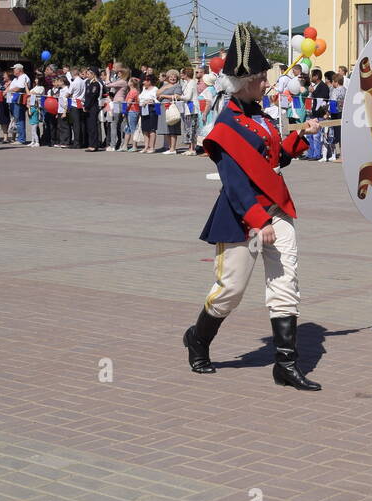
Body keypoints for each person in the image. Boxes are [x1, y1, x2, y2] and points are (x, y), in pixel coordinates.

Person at [185, 24, 323, 390]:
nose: (267, 83)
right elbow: (236, 183)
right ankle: (198, 340)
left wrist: (300, 136)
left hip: (277, 208)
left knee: (285, 282)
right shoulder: (227, 125)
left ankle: (286, 366)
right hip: (243, 217)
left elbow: (275, 159)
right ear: (244, 81)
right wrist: (259, 222)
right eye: (261, 78)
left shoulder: (260, 117)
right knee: (230, 291)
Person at [138, 75, 160, 153]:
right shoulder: (144, 89)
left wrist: (150, 101)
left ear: (149, 81)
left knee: (151, 129)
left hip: (152, 109)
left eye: (144, 81)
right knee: (144, 129)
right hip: (143, 109)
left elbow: (157, 99)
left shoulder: (155, 89)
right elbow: (140, 98)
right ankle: (146, 146)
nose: (143, 82)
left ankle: (152, 147)